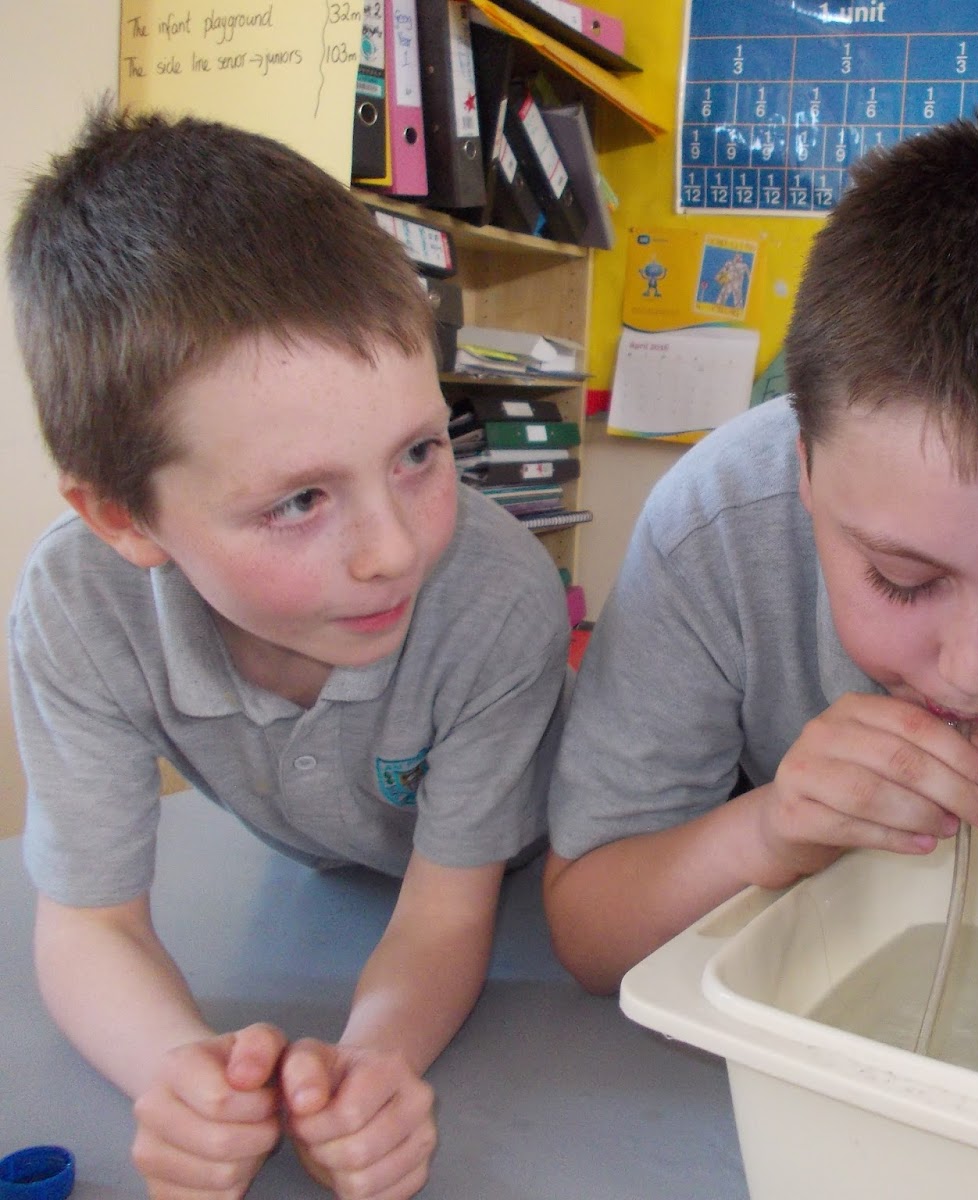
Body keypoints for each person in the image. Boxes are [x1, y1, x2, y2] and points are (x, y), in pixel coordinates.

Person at [543, 105, 978, 995]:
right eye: (901, 581)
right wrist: (771, 831)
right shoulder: (717, 523)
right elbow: (588, 928)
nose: (975, 673)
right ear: (804, 467)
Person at [7, 106, 570, 1195]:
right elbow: (88, 924)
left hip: (518, 884)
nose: (392, 550)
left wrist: (372, 1068)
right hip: (318, 872)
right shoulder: (73, 605)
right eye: (299, 500)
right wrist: (179, 1078)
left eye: (417, 452)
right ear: (123, 519)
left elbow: (447, 908)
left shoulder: (495, 592)